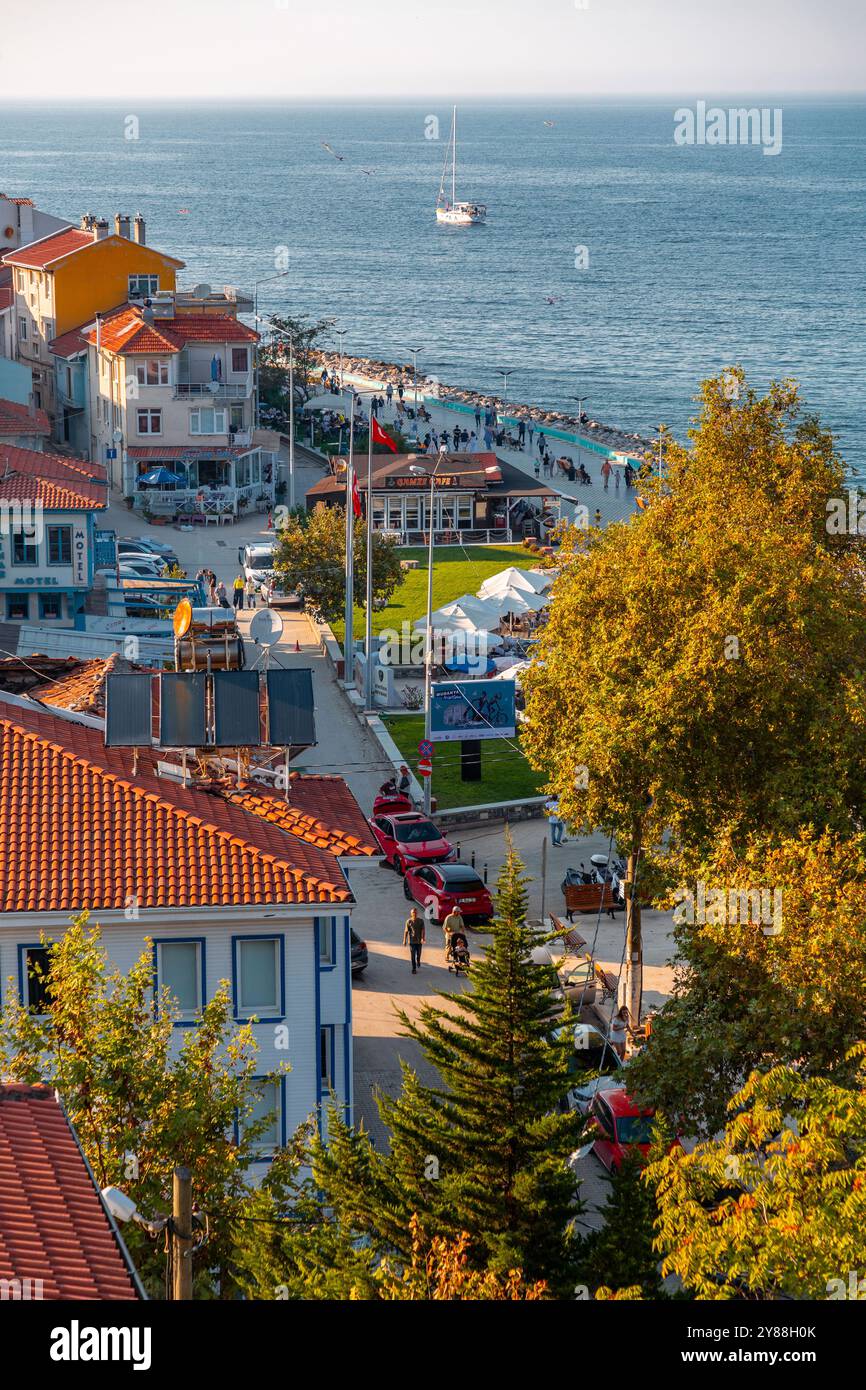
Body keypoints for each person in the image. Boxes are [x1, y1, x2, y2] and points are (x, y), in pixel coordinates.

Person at [403, 907, 425, 974]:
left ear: (417, 913)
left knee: (418, 954)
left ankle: (418, 961)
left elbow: (423, 930)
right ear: (411, 914)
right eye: (413, 912)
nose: (414, 914)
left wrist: (422, 938)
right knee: (412, 955)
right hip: (412, 941)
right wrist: (404, 940)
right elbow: (406, 931)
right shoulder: (408, 921)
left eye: (415, 912)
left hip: (419, 941)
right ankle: (414, 968)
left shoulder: (421, 921)